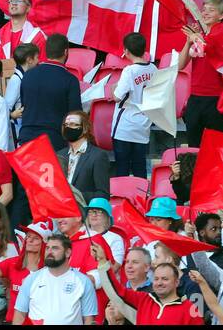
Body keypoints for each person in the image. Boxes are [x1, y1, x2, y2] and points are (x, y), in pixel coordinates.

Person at [94, 245, 204, 326]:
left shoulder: (189, 308)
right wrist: (103, 262)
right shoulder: (144, 299)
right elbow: (117, 292)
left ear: (176, 282)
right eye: (156, 279)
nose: (159, 283)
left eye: (165, 279)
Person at [16, 34, 84, 152]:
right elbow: (75, 116)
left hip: (26, 140)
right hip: (54, 142)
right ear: (65, 52)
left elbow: (24, 104)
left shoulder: (28, 75)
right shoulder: (70, 80)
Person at [12, 233, 98, 325]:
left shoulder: (83, 281)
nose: (49, 251)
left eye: (55, 248)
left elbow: (89, 319)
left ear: (68, 252)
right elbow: (20, 314)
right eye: (47, 248)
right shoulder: (31, 279)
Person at [111, 32, 157, 178]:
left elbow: (117, 97)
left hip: (125, 126)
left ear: (126, 51)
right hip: (143, 125)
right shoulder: (154, 69)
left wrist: (113, 87)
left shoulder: (129, 71)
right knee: (139, 169)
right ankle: (141, 200)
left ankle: (122, 199)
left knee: (122, 170)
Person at [57, 111, 111, 203]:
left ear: (85, 129)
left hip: (83, 211)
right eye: (66, 124)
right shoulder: (59, 155)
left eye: (73, 124)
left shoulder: (98, 156)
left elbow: (103, 194)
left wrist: (75, 195)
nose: (68, 127)